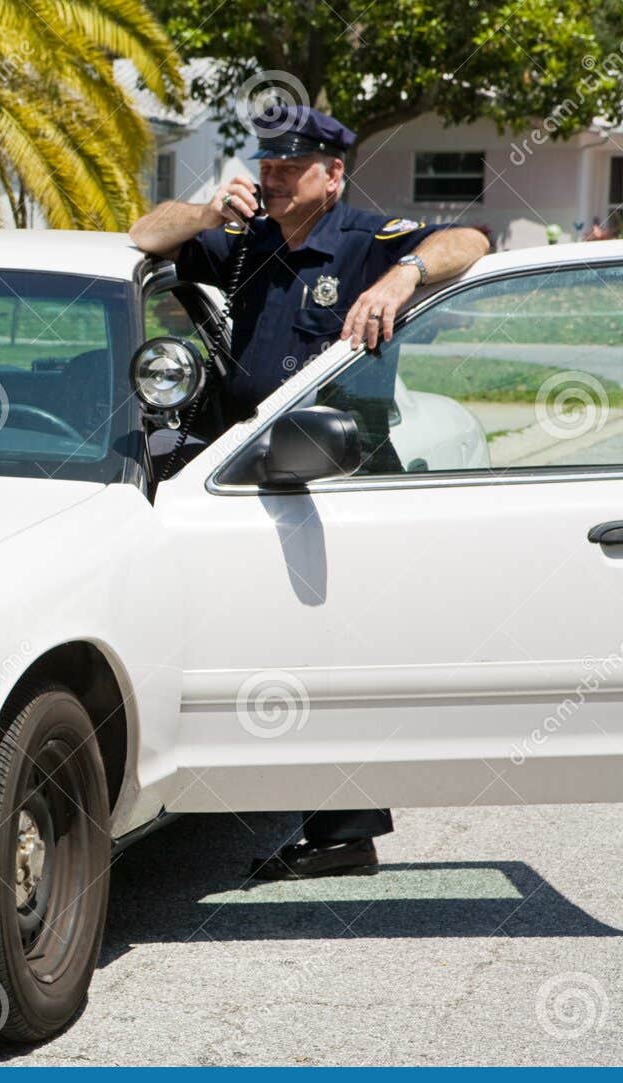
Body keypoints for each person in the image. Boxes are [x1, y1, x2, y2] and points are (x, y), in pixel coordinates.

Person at [129, 106, 491, 880]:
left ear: (333, 174)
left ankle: (343, 834)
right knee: (259, 642)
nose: (275, 177)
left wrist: (404, 276)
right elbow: (143, 235)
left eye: (293, 167)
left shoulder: (365, 239)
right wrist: (203, 211)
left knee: (332, 650)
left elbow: (473, 240)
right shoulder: (246, 238)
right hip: (240, 471)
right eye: (269, 164)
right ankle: (250, 785)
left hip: (335, 471)